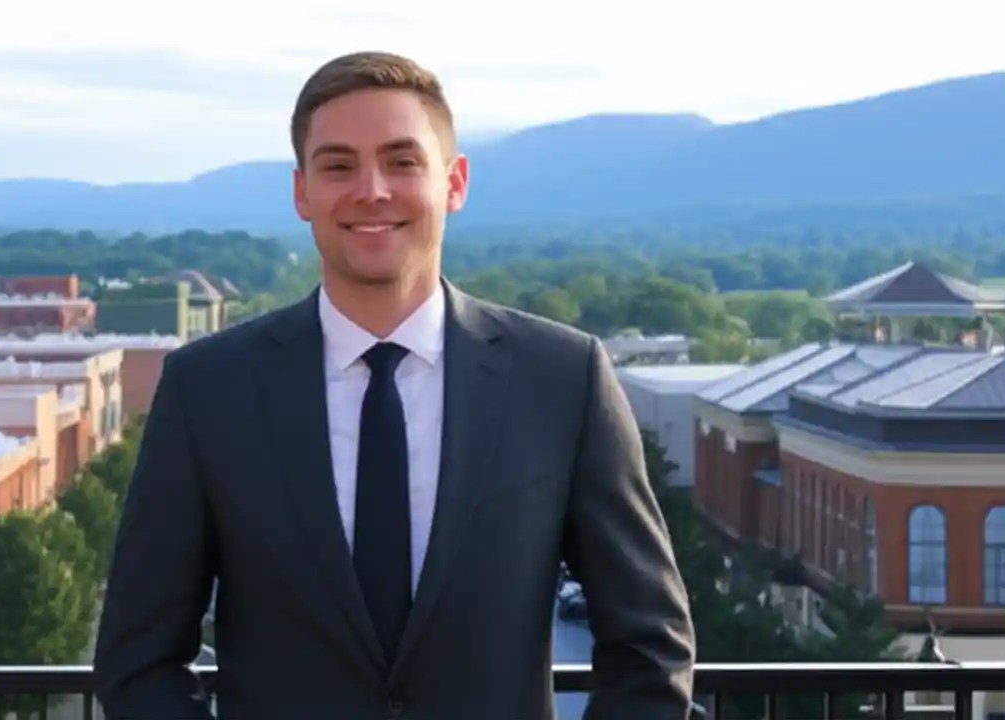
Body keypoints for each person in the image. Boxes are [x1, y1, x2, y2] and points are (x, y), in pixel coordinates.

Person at [93, 50, 696, 719]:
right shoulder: (207, 389)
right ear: (302, 191)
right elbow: (138, 660)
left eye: (402, 161)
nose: (372, 189)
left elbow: (649, 645)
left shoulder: (561, 379)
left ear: (455, 182)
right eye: (339, 165)